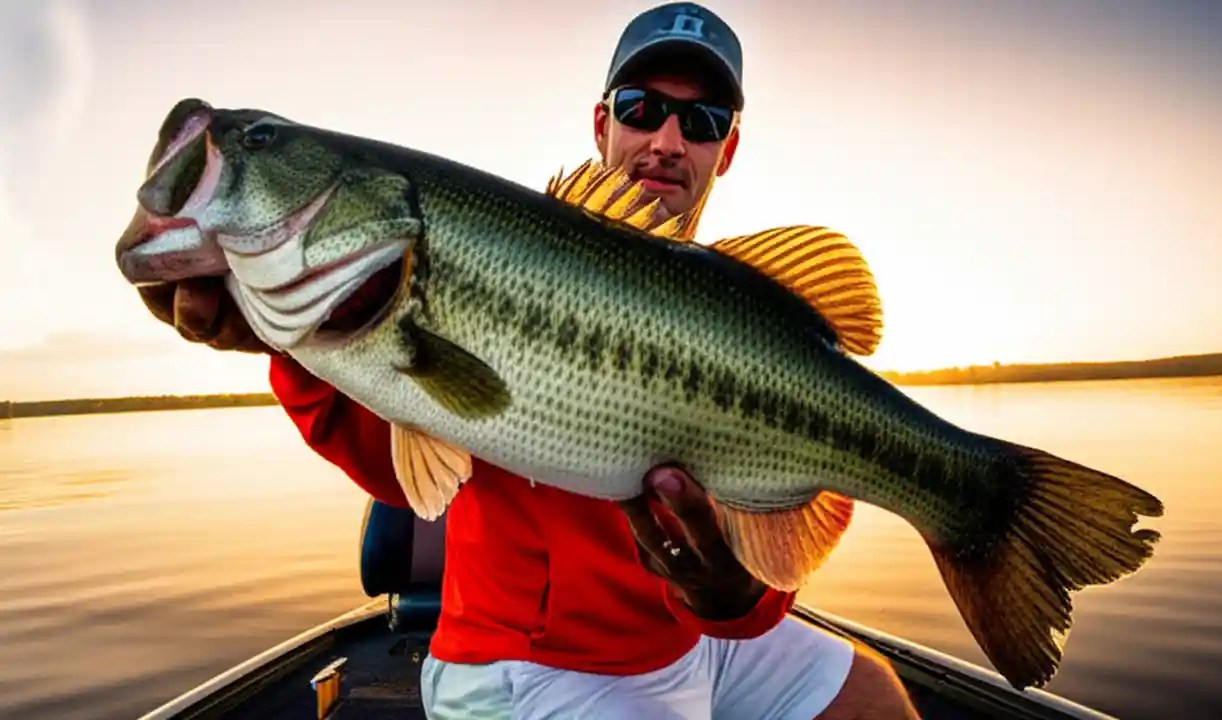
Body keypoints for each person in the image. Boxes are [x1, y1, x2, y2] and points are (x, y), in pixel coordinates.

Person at [136, 3, 921, 718]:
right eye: (641, 108)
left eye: (703, 120)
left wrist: (735, 599)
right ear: (602, 123)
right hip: (531, 666)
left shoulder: (745, 323)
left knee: (873, 697)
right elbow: (402, 466)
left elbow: (767, 572)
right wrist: (294, 344)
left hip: (690, 639)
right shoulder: (488, 257)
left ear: (728, 148)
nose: (666, 140)